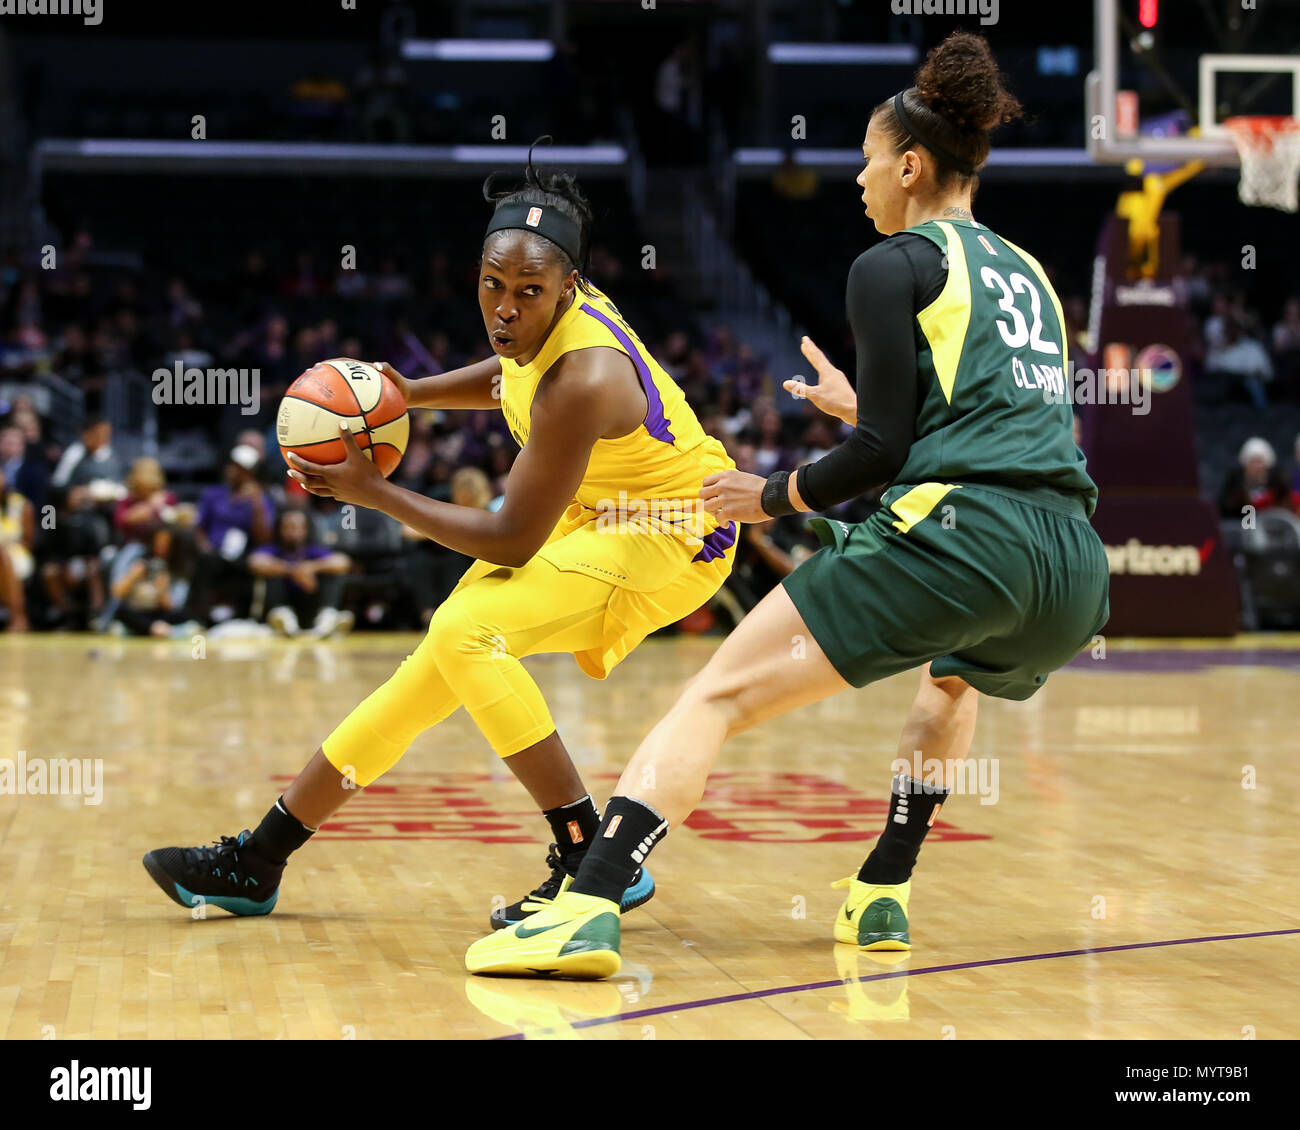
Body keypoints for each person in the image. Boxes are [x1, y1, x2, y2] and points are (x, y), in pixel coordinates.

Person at [464, 31, 1112, 978]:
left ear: (910, 164)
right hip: (1069, 566)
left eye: (863, 160)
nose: (856, 180)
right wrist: (864, 407)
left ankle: (588, 904)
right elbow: (998, 427)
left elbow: (880, 455)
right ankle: (885, 890)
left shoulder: (890, 265)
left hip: (964, 536)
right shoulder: (1036, 279)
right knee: (952, 680)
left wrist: (770, 494)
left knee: (715, 695)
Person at [142, 145, 739, 927]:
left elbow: (512, 537)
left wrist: (373, 491)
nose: (506, 310)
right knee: (431, 667)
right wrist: (409, 393)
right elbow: (505, 377)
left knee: (467, 628)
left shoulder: (584, 381)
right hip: (602, 511)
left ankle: (594, 859)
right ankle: (257, 863)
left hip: (675, 531)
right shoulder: (532, 333)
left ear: (571, 286)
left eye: (529, 292)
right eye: (493, 285)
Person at [183, 444, 274, 623]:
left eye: (240, 469)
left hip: (243, 554)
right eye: (232, 465)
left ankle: (242, 615)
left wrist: (256, 504)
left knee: (252, 564)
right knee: (206, 560)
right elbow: (199, 526)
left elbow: (264, 537)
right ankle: (198, 617)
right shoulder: (213, 494)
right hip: (213, 551)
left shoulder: (261, 499)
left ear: (250, 473)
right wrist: (204, 546)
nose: (233, 471)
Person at [249, 509, 354, 638]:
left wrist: (312, 568)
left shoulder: (313, 550)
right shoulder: (272, 549)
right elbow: (255, 562)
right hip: (283, 602)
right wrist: (293, 570)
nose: (293, 531)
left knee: (332, 573)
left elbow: (343, 562)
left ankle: (327, 618)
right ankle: (281, 618)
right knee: (269, 572)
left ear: (305, 530)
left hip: (310, 601)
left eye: (298, 527)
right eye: (288, 527)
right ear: (280, 529)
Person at [1218, 437, 1289, 518]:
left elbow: (1283, 508)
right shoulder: (1235, 482)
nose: (1256, 466)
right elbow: (1225, 507)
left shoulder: (1277, 484)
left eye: (1259, 462)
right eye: (1252, 462)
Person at [0, 464, 34, 632]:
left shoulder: (21, 505)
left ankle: (18, 616)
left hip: (17, 555)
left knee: (3, 555)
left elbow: (29, 541)